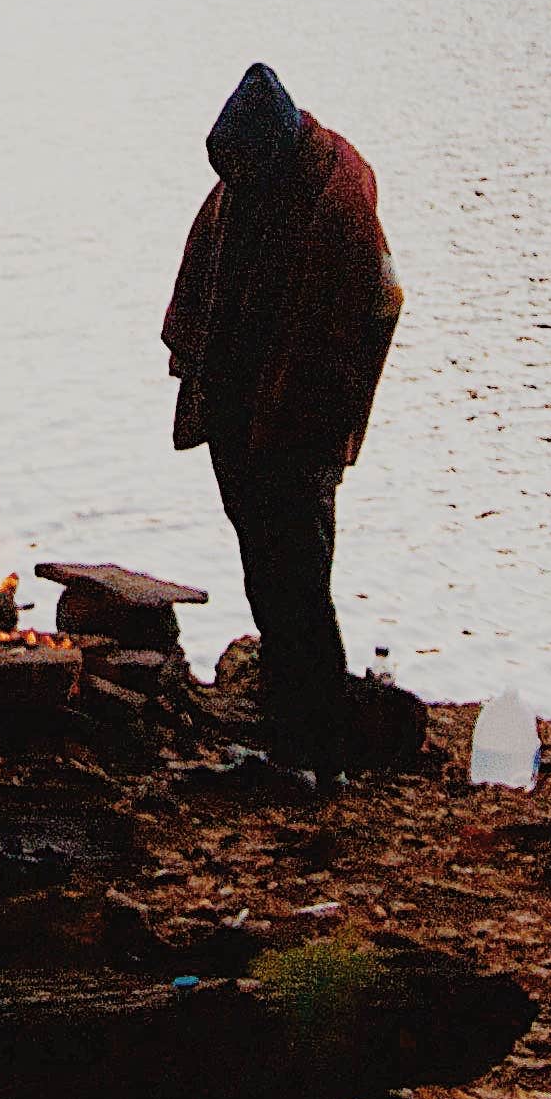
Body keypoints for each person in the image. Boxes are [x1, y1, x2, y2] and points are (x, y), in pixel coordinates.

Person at [161, 58, 403, 777]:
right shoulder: (245, 180)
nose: (230, 182)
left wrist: (315, 428)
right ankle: (288, 728)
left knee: (300, 574)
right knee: (265, 571)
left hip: (303, 423)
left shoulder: (339, 200)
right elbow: (206, 268)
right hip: (243, 408)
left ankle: (317, 749)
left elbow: (374, 311)